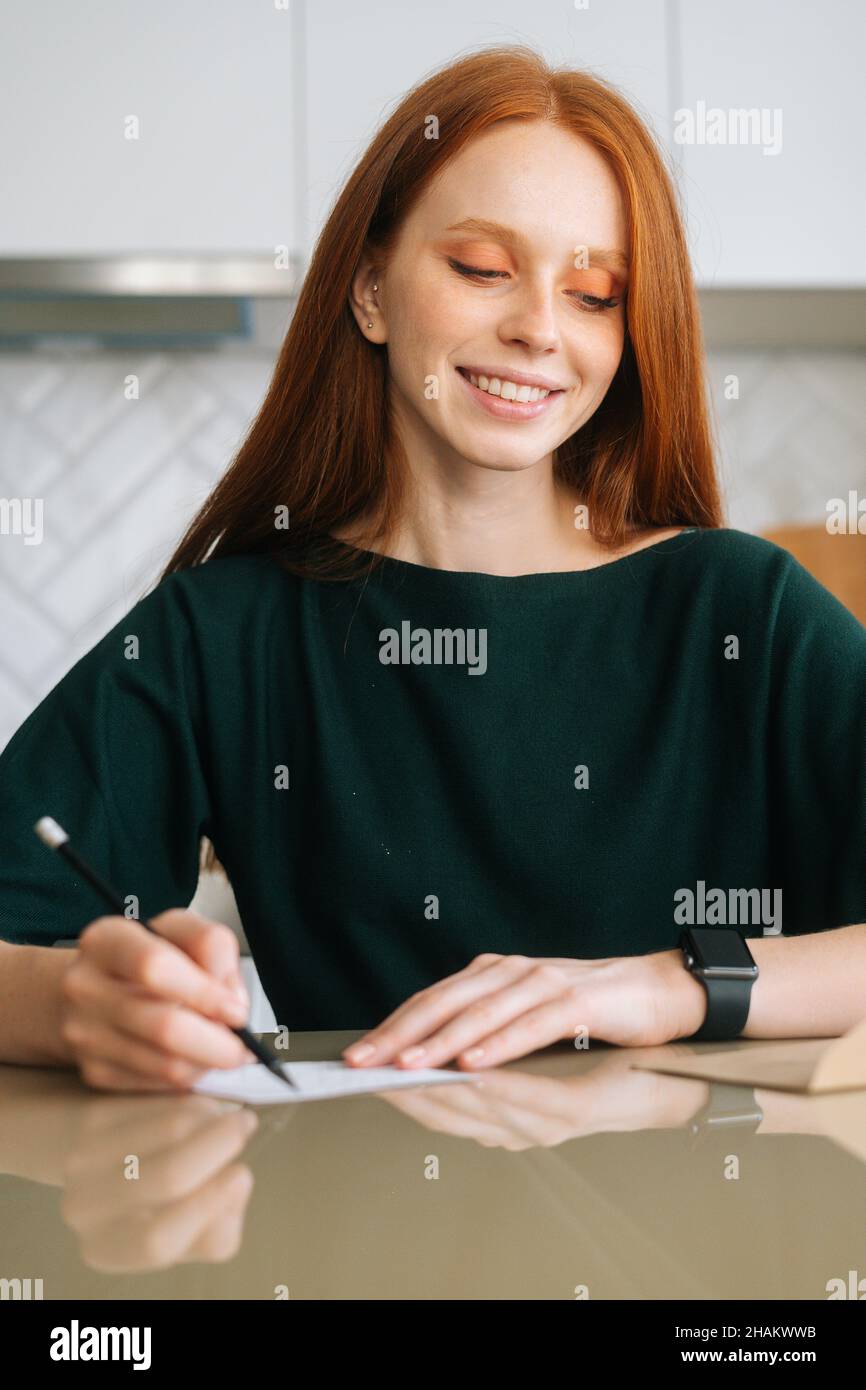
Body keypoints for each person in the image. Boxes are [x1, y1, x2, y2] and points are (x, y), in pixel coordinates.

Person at [1, 47, 864, 1093]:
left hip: (711, 1247)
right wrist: (80, 1005)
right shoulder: (223, 634)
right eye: (480, 268)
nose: (539, 327)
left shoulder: (744, 611)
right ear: (368, 291)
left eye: (593, 293)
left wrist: (656, 987)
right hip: (354, 1239)